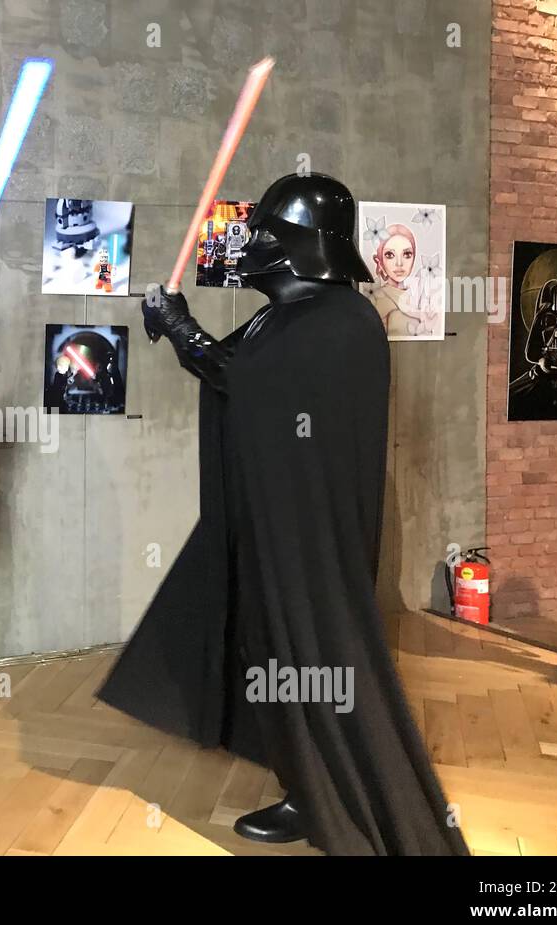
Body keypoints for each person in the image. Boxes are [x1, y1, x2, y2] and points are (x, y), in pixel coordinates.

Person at [97, 173, 468, 856]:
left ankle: (338, 798)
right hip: (275, 532)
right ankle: (307, 785)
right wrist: (180, 331)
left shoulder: (341, 322)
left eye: (269, 232)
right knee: (273, 652)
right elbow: (236, 371)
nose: (253, 242)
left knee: (317, 659)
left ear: (304, 246)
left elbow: (248, 380)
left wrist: (181, 328)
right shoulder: (288, 318)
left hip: (314, 550)